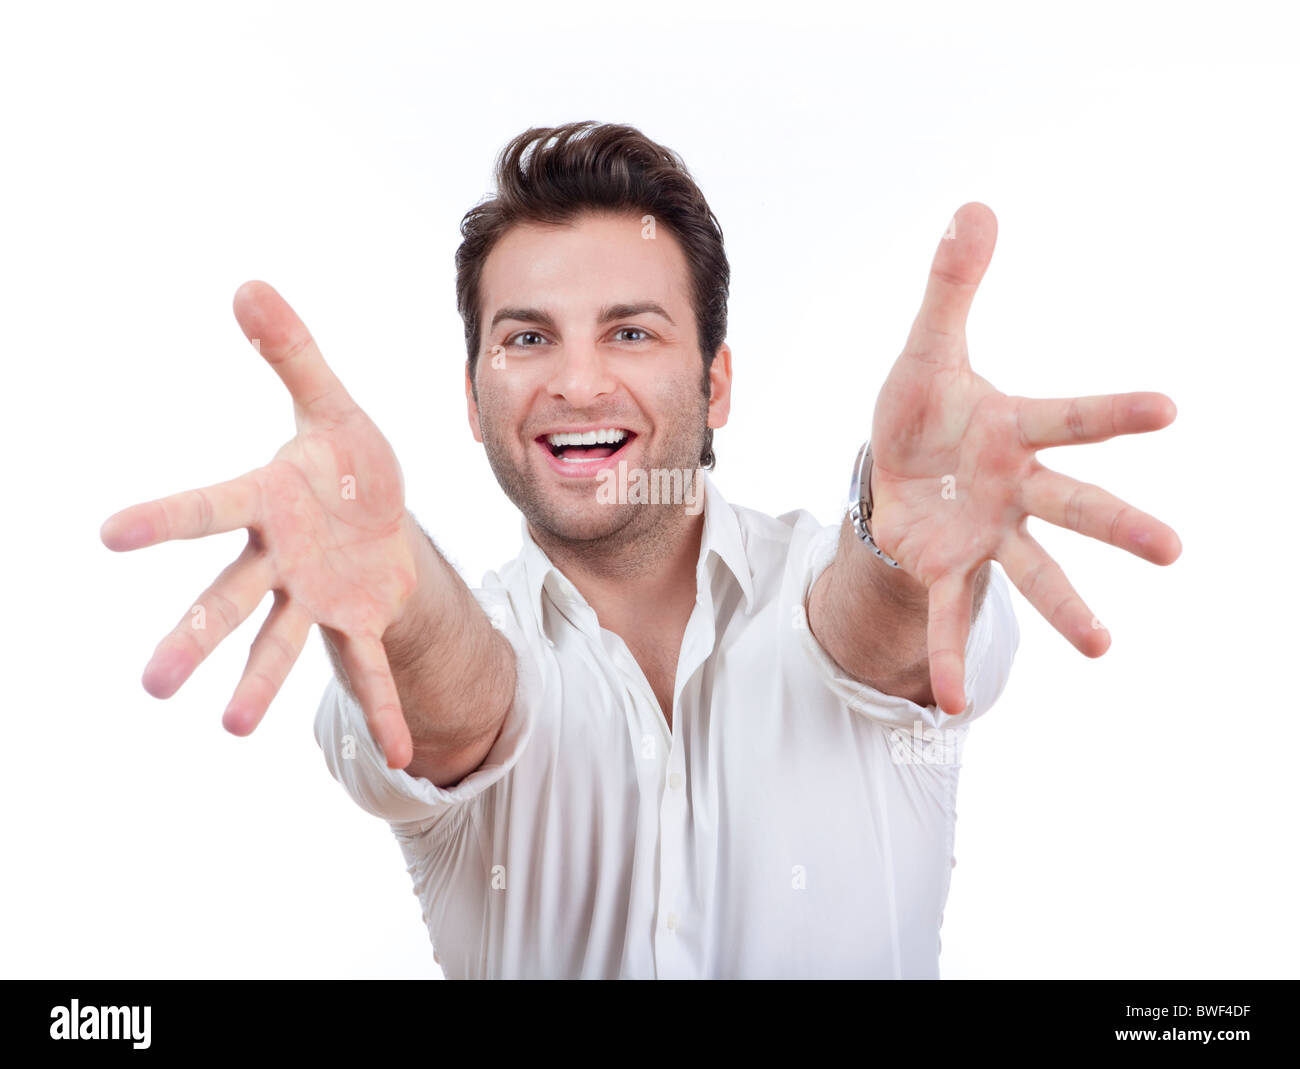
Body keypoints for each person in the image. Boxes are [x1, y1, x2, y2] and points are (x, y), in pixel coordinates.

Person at [100, 120, 1182, 979]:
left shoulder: (847, 583)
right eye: (526, 337)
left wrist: (901, 545)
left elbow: (874, 642)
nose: (575, 383)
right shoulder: (405, 647)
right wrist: (400, 590)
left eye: (631, 330)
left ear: (713, 385)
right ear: (475, 402)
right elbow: (461, 709)